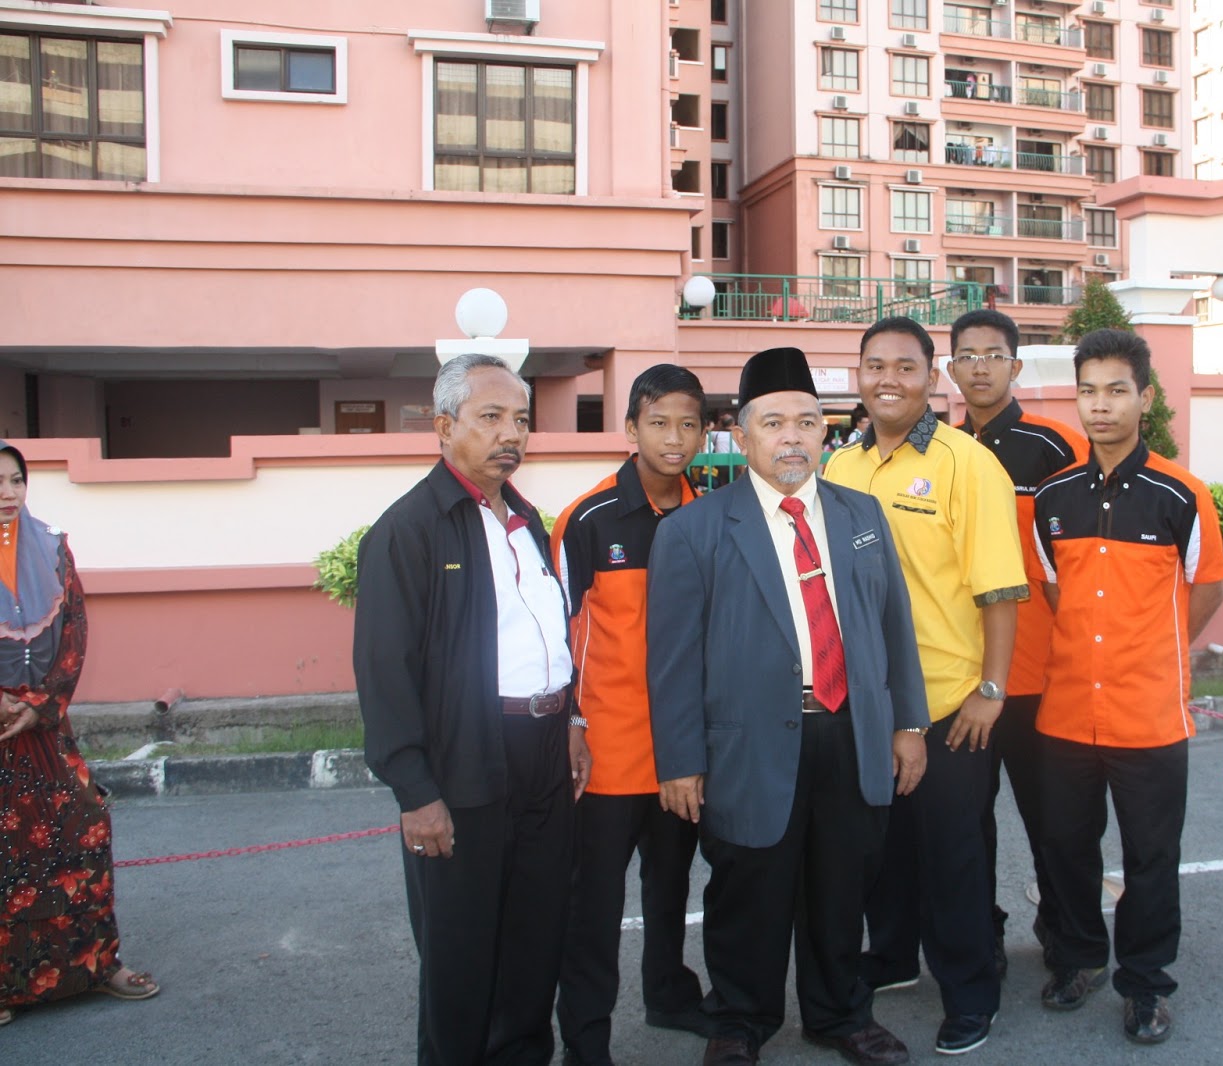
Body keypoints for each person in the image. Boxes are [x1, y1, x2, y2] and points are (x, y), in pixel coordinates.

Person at [647, 346, 929, 1066]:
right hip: (748, 744)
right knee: (748, 892)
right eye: (773, 423)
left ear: (824, 433)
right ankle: (739, 1022)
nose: (793, 438)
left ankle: (840, 1015)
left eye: (807, 422)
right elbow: (672, 662)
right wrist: (679, 760)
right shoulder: (695, 530)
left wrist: (908, 723)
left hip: (850, 732)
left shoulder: (861, 514)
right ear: (741, 437)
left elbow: (893, 625)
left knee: (843, 887)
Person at [354, 354, 592, 1065]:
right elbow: (385, 672)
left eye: (520, 419)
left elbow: (548, 635)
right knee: (460, 952)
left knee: (535, 935)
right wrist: (416, 792)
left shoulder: (524, 518)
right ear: (443, 427)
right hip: (464, 759)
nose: (510, 434)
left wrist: (571, 721)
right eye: (490, 417)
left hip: (545, 755)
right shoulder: (408, 531)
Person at [825, 317, 1027, 1056]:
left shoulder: (965, 464)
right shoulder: (839, 466)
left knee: (952, 856)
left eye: (905, 367)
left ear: (931, 377)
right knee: (883, 848)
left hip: (948, 703)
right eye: (874, 365)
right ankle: (892, 956)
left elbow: (999, 591)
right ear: (858, 376)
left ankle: (971, 992)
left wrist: (991, 690)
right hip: (867, 702)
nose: (889, 380)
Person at [1030, 329, 1223, 1046]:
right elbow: (1053, 589)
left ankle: (1145, 983)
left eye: (1117, 390)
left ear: (1144, 398)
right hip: (1066, 712)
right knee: (1066, 848)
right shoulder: (1052, 498)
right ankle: (1080, 957)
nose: (1101, 405)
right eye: (1088, 391)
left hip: (1150, 714)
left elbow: (1208, 590)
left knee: (1150, 857)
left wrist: (1155, 651)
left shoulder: (1182, 494)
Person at [553, 365, 712, 1066]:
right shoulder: (588, 520)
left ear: (703, 433)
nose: (674, 438)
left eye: (687, 424)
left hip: (682, 752)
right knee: (592, 906)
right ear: (630, 430)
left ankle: (669, 996)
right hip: (608, 752)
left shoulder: (708, 514)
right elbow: (553, 634)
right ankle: (586, 1041)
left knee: (671, 885)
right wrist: (569, 724)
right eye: (658, 423)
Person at [946, 309, 1088, 980]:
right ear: (951, 369)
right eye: (968, 356)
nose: (980, 367)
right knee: (966, 828)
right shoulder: (939, 453)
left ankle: (1069, 943)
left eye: (993, 355)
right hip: (960, 680)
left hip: (1039, 680)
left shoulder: (1057, 448)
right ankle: (983, 941)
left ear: (1015, 366)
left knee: (1056, 826)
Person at [0, 441, 160, 1028]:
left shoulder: (52, 547)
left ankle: (97, 964)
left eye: (15, 480)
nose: (7, 493)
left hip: (44, 727)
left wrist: (41, 704)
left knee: (83, 828)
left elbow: (74, 630)